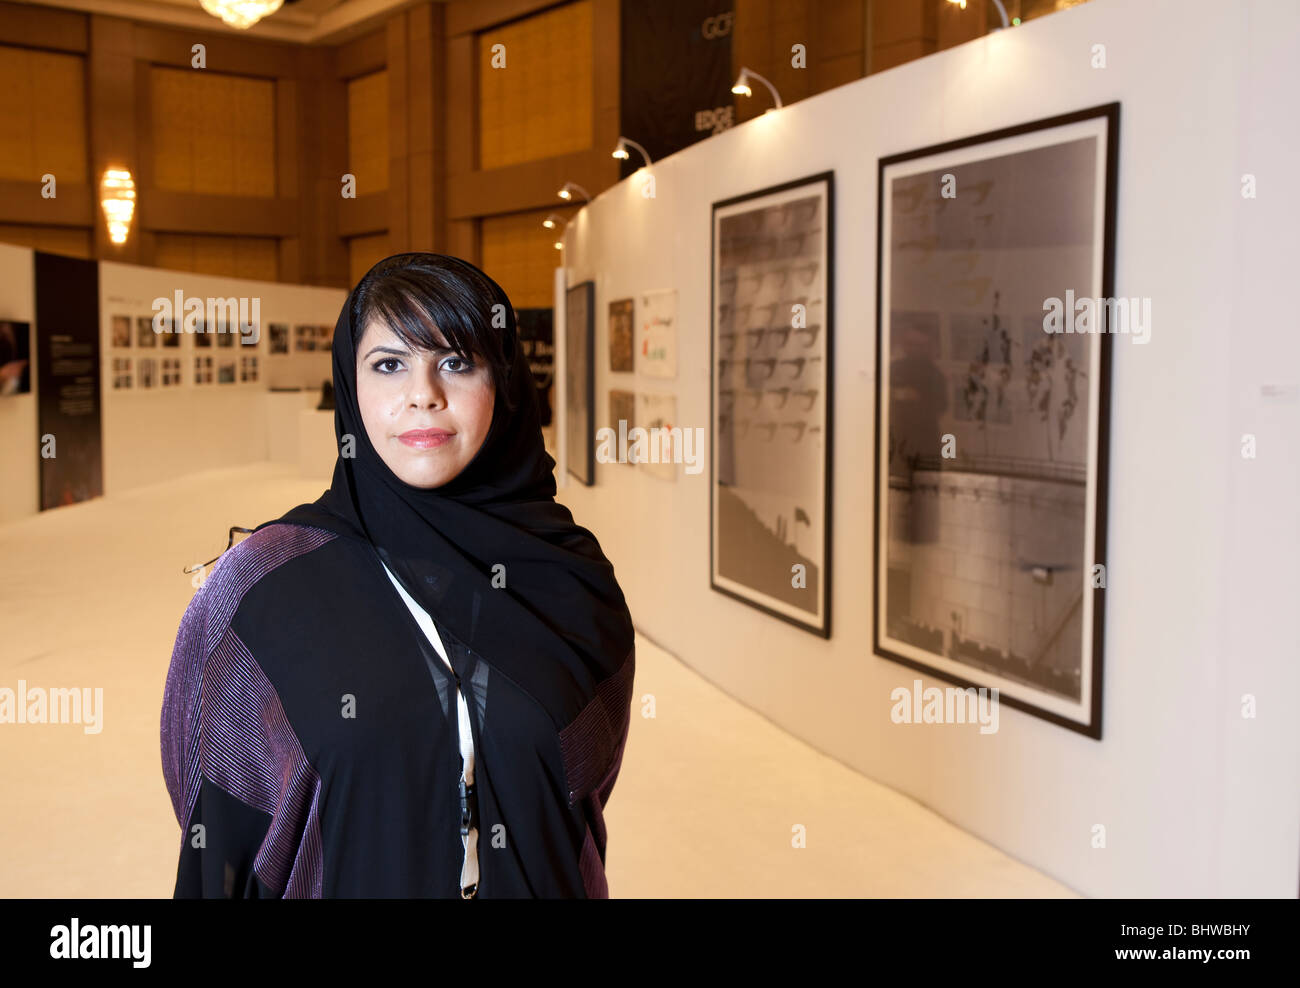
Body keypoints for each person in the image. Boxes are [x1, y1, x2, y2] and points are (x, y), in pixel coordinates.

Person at [160, 252, 636, 898]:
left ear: (504, 382)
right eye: (389, 364)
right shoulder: (266, 586)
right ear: (351, 387)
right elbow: (218, 825)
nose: (423, 394)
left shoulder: (568, 579)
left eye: (457, 362)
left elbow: (584, 788)